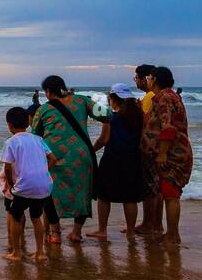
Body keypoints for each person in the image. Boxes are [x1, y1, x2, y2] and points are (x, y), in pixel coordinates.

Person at [31, 75, 109, 244]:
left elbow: (34, 136)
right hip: (82, 155)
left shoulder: (43, 109)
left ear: (48, 91)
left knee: (49, 194)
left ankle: (56, 233)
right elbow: (107, 115)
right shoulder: (82, 101)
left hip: (54, 157)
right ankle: (76, 232)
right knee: (82, 194)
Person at [140, 66, 192, 243]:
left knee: (170, 194)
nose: (147, 80)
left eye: (149, 77)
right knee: (169, 192)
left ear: (154, 79)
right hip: (175, 150)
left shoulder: (164, 97)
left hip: (171, 154)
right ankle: (171, 233)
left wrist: (162, 153)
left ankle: (172, 234)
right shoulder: (171, 96)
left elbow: (167, 127)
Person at [88, 84, 145, 240]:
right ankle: (131, 232)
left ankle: (102, 230)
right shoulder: (140, 116)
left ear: (113, 99)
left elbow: (104, 139)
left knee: (104, 196)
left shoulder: (110, 117)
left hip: (112, 159)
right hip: (133, 159)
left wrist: (91, 150)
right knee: (130, 198)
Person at [1, 106, 56, 263]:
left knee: (15, 216)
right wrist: (42, 171)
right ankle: (40, 252)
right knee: (36, 217)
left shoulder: (11, 142)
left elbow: (6, 167)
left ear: (9, 124)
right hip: (44, 186)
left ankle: (16, 253)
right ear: (28, 122)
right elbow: (53, 159)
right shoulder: (38, 139)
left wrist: (11, 185)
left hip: (24, 186)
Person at [132, 64, 160, 235]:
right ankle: (156, 224)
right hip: (158, 147)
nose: (135, 81)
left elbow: (145, 123)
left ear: (145, 79)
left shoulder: (149, 97)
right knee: (157, 188)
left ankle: (148, 223)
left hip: (149, 147)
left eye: (136, 78)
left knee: (149, 188)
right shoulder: (155, 95)